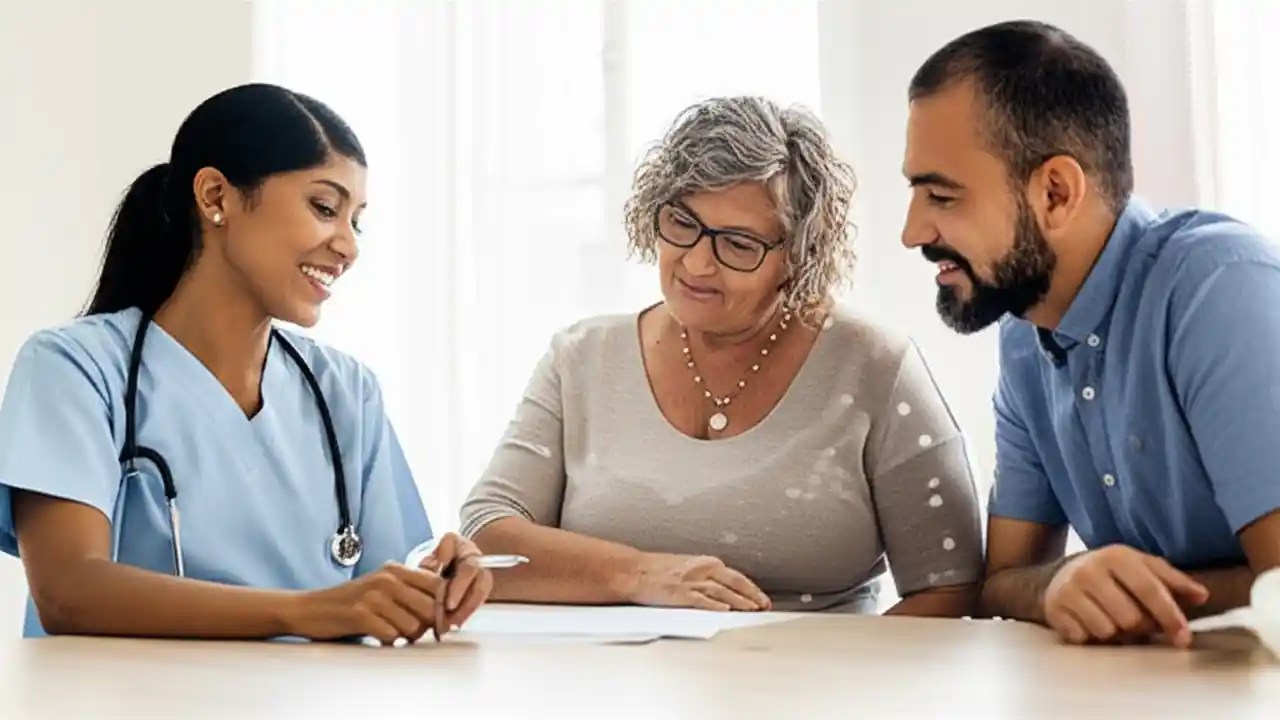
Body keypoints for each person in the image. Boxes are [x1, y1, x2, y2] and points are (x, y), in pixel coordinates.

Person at [0, 83, 492, 643]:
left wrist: (436, 578)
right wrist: (305, 611)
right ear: (216, 197)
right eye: (325, 208)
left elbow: (383, 582)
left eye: (357, 221)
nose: (349, 247)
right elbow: (70, 591)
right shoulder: (74, 369)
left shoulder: (346, 391)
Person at [459, 96, 983, 616]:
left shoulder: (874, 365)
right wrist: (641, 573)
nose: (697, 263)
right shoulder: (579, 358)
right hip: (605, 688)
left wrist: (838, 680)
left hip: (812, 692)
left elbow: (951, 589)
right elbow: (486, 534)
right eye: (682, 223)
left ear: (798, 257)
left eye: (737, 244)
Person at [900, 20, 1280, 647]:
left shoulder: (1220, 290)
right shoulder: (1025, 333)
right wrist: (1061, 584)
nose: (912, 232)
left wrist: (1131, 598)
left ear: (1055, 192)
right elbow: (1003, 582)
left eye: (941, 196)